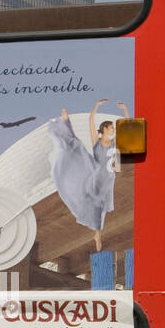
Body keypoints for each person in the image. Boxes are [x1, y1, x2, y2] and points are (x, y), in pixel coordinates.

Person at [48, 100, 129, 250]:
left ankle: (97, 233)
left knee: (103, 207)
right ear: (104, 129)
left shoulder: (115, 145)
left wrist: (125, 110)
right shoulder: (97, 143)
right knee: (96, 204)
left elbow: (126, 132)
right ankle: (97, 234)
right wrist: (96, 106)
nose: (113, 130)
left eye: (113, 128)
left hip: (109, 180)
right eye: (111, 128)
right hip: (97, 177)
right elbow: (91, 122)